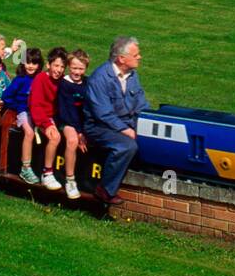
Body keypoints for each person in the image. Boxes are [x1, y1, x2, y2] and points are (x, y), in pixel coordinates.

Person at [83, 36, 149, 207]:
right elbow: (103, 114)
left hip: (125, 123)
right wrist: (126, 131)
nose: (139, 57)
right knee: (127, 146)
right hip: (99, 127)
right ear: (121, 59)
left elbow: (141, 104)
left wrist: (148, 123)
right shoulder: (100, 78)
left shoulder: (133, 75)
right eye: (136, 55)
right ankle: (105, 189)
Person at [2, 47, 44, 184]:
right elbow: (6, 96)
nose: (31, 66)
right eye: (28, 62)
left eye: (34, 63)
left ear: (39, 65)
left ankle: (44, 169)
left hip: (36, 111)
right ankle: (25, 167)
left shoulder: (40, 78)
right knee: (30, 133)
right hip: (23, 111)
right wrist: (17, 107)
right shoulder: (20, 80)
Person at [28, 47, 67, 191]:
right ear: (48, 65)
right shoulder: (40, 79)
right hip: (42, 117)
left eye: (62, 66)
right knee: (55, 137)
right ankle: (47, 173)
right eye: (56, 65)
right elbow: (36, 106)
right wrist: (46, 124)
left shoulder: (63, 81)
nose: (59, 69)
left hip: (56, 117)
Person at [56, 49, 90, 201]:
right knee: (72, 140)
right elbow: (67, 110)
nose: (77, 72)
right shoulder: (65, 84)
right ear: (69, 66)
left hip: (83, 122)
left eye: (81, 69)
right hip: (67, 121)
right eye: (74, 68)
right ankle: (70, 179)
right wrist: (79, 132)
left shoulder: (87, 83)